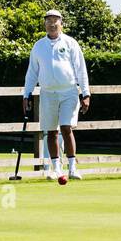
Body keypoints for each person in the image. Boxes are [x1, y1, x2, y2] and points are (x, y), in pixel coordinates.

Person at [22, 10, 90, 180]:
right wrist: (27, 94)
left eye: (55, 21)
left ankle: (73, 168)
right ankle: (56, 168)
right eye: (49, 21)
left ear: (61, 23)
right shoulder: (39, 46)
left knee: (66, 128)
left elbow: (81, 70)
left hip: (69, 92)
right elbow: (32, 72)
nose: (52, 24)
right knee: (51, 131)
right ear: (45, 24)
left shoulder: (70, 43)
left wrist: (86, 93)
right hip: (47, 93)